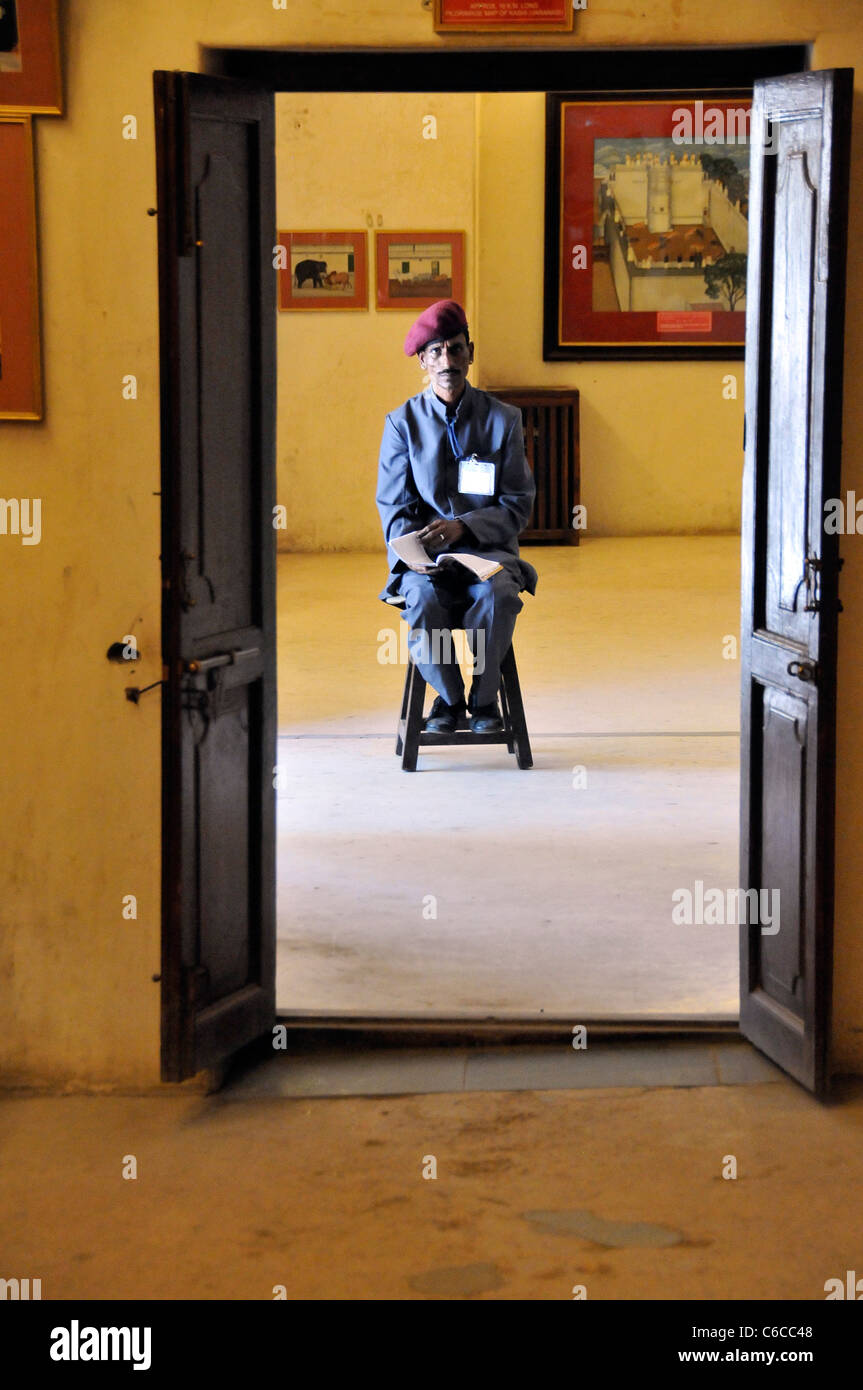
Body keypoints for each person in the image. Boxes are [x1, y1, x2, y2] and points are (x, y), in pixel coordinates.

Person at [376, 299, 537, 733]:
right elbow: (393, 507)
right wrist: (420, 553)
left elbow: (518, 502)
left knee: (498, 595)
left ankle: (483, 703)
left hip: (488, 555)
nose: (448, 360)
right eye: (437, 351)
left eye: (456, 348)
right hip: (426, 563)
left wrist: (465, 527)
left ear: (471, 352)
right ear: (423, 361)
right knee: (424, 600)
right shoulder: (402, 425)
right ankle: (447, 700)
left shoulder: (503, 420)